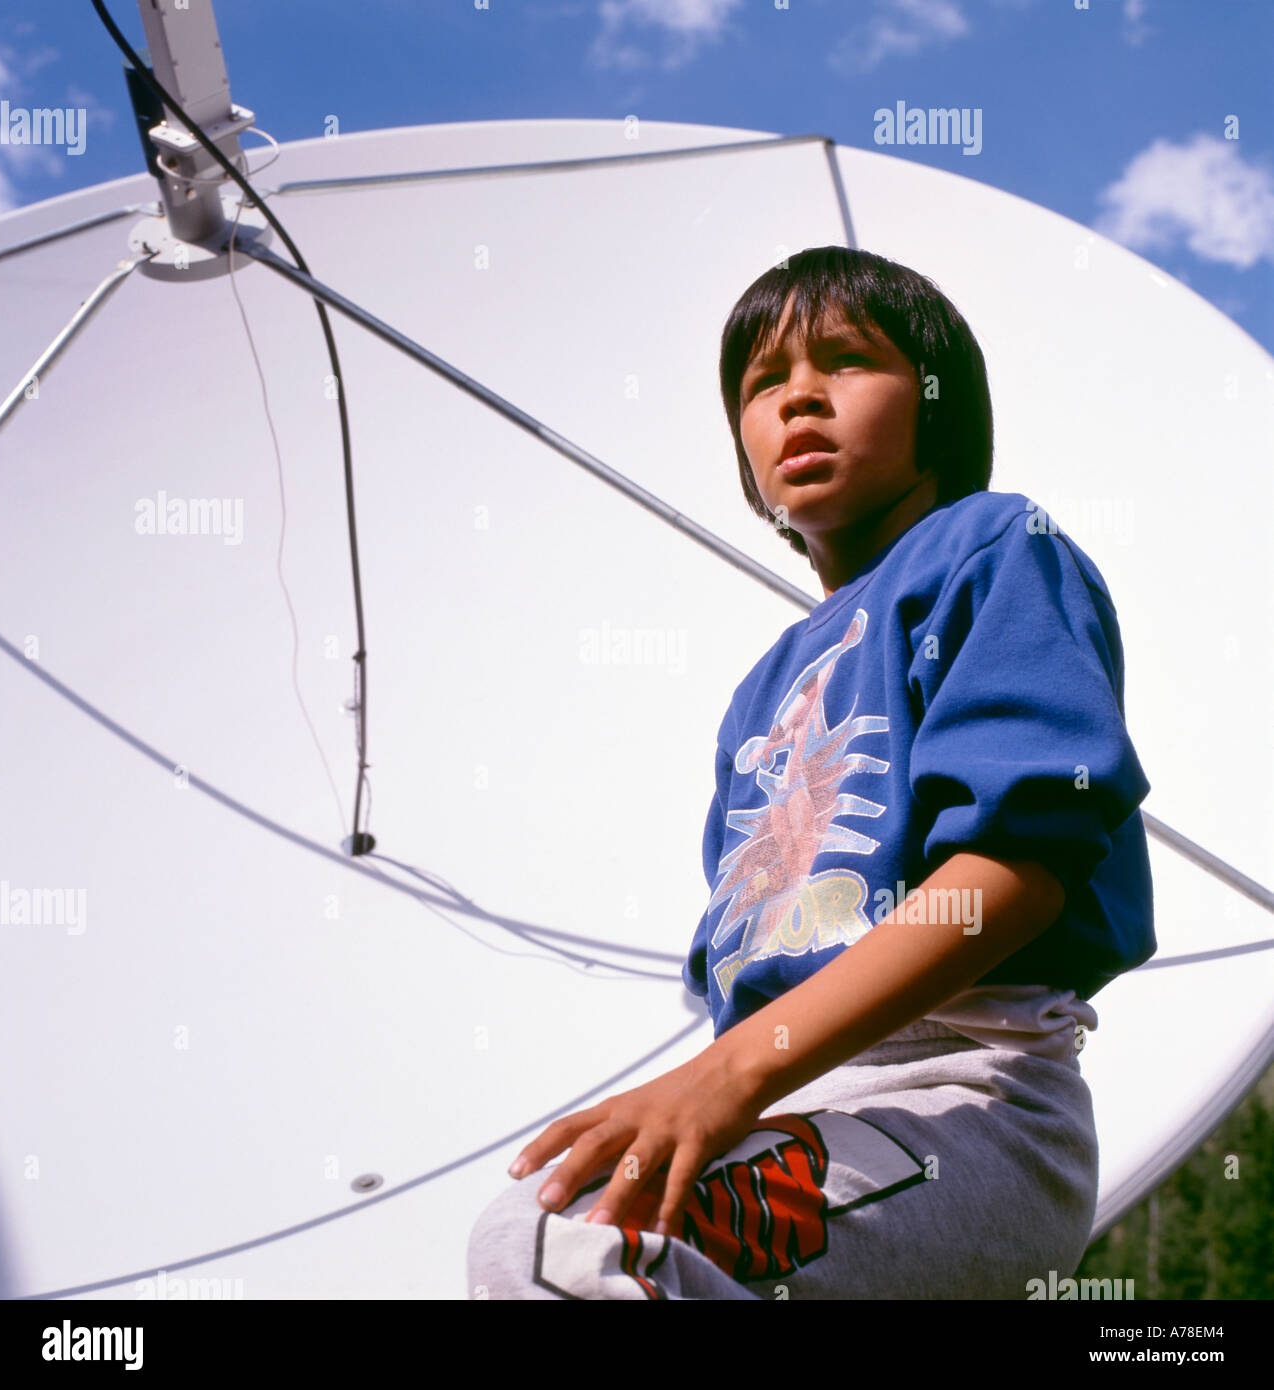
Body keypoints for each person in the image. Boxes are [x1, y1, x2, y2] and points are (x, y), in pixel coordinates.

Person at [465, 246, 1155, 1300]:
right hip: (796, 1106)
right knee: (581, 1216)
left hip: (959, 1098)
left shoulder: (992, 545)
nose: (798, 398)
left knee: (562, 1242)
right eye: (761, 383)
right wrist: (743, 1077)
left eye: (844, 360)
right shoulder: (760, 698)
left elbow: (1021, 861)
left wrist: (731, 1074)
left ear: (937, 405)